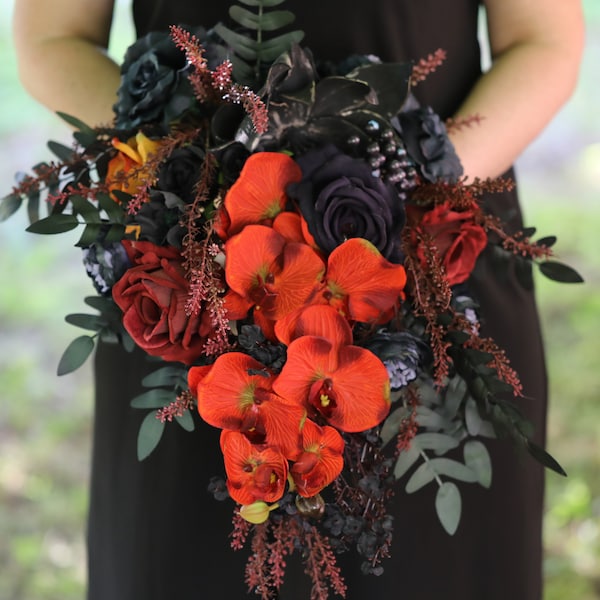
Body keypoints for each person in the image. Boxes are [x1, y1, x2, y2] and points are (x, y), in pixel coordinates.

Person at [12, 1, 584, 599]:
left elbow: (543, 41)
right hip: (197, 292)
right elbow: (53, 36)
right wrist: (192, 177)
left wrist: (397, 203)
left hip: (427, 283)